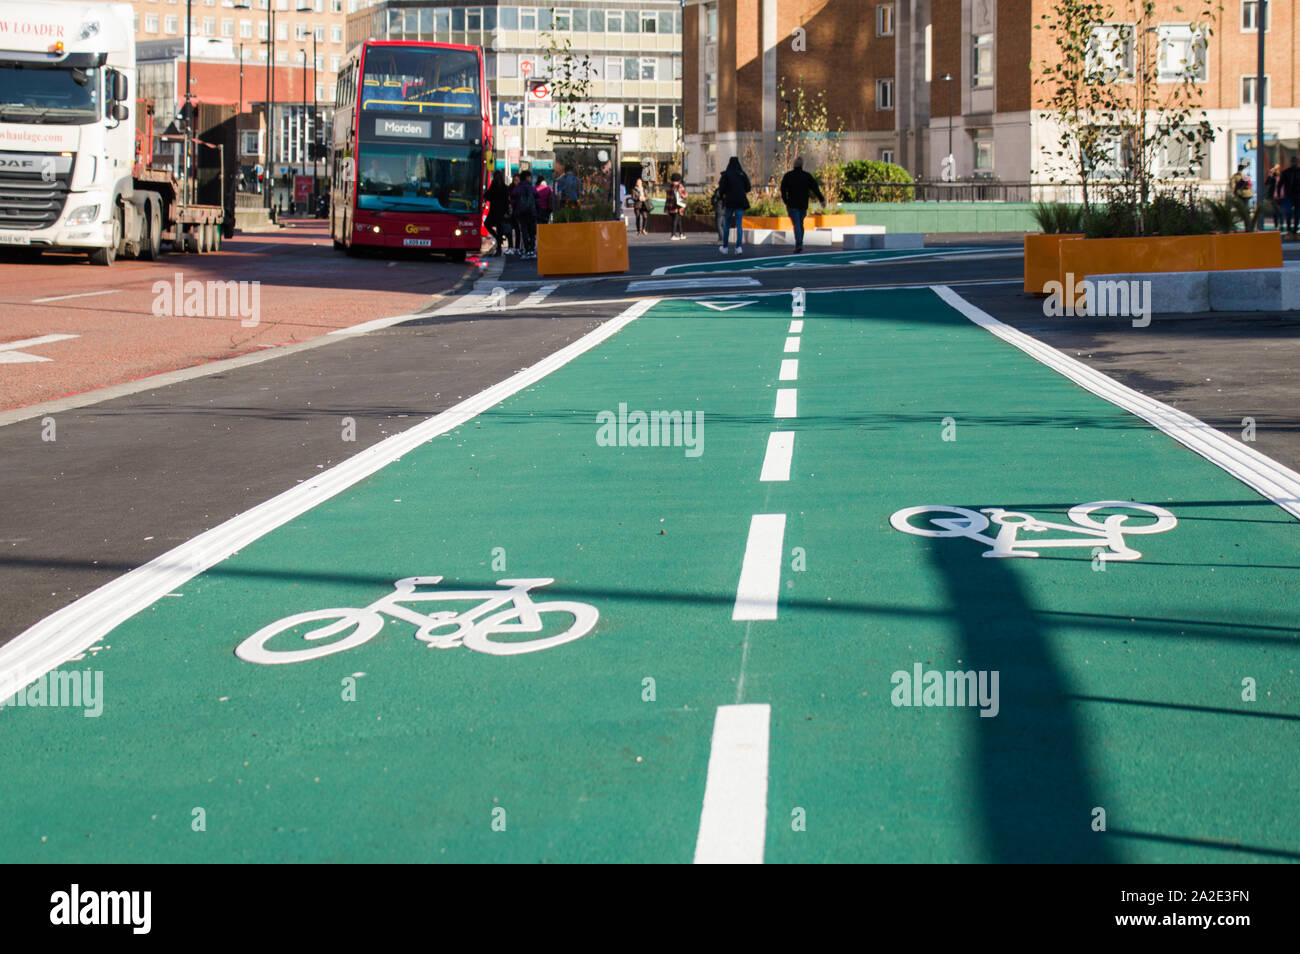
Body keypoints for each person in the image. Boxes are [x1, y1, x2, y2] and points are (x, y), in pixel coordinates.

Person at [779, 156, 826, 254]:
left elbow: (783, 189)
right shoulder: (807, 176)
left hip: (792, 203)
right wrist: (821, 199)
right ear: (802, 164)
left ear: (794, 164)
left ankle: (799, 243)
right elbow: (815, 188)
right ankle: (799, 243)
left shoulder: (788, 176)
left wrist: (785, 200)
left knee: (796, 224)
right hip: (803, 204)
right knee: (800, 223)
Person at [717, 156, 751, 254]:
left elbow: (721, 188)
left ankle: (725, 247)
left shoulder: (726, 174)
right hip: (740, 201)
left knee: (727, 224)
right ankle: (739, 247)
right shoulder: (742, 174)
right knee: (739, 224)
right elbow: (748, 187)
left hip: (730, 201)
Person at [513, 169, 539, 259]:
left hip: (521, 214)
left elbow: (513, 201)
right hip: (532, 213)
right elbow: (537, 200)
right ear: (527, 178)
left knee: (524, 231)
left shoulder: (518, 189)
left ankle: (526, 249)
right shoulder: (532, 188)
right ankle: (532, 249)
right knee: (532, 232)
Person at [484, 169, 510, 256]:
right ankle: (499, 246)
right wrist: (506, 211)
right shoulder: (505, 187)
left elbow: (487, 196)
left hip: (494, 211)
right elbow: (507, 201)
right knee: (500, 228)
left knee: (487, 224)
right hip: (501, 212)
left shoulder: (493, 186)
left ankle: (498, 239)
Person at [1279, 155, 1300, 238]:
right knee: (1288, 212)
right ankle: (1289, 229)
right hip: (1288, 196)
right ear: (1290, 162)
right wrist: (1279, 195)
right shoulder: (1286, 172)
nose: (1294, 163)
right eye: (1293, 161)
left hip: (1298, 196)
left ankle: (1295, 230)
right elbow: (1280, 184)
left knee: (1297, 214)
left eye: (1295, 161)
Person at [665, 173, 686, 241]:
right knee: (676, 220)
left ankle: (681, 234)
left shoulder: (669, 186)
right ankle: (673, 235)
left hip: (669, 206)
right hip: (677, 206)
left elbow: (668, 195)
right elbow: (684, 195)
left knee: (678, 220)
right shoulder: (679, 186)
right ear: (679, 179)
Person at [506, 173, 522, 254]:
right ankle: (511, 246)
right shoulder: (510, 188)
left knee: (517, 230)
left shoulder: (521, 188)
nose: (516, 182)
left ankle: (517, 247)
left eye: (517, 180)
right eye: (515, 180)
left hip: (518, 212)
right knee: (509, 230)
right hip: (512, 212)